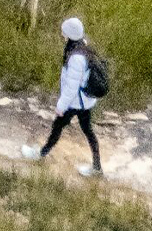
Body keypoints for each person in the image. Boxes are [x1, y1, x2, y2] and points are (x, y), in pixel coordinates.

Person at [21, 16, 101, 177]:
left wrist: (61, 107)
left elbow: (71, 87)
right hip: (85, 102)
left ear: (70, 35)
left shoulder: (76, 58)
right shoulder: (84, 47)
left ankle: (41, 155)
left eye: (64, 32)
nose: (62, 34)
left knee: (57, 127)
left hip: (75, 103)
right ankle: (97, 168)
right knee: (88, 132)